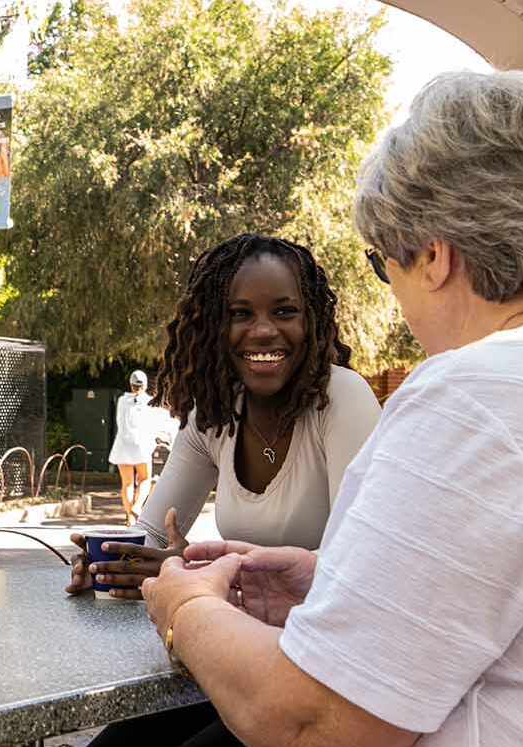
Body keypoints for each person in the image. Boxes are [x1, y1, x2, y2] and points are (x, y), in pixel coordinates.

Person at [145, 70, 523, 747]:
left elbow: (311, 724)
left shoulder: (474, 395)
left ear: (435, 257)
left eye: (381, 262)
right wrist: (334, 582)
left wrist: (185, 608)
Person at [68, 233, 382, 747]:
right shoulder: (213, 413)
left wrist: (194, 572)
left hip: (327, 676)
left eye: (284, 311)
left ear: (311, 321)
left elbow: (361, 569)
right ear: (215, 324)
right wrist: (110, 563)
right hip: (241, 649)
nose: (263, 330)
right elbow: (153, 534)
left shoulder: (342, 399)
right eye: (240, 314)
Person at [108, 369, 164, 526]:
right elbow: (154, 425)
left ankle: (130, 519)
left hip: (122, 445)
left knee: (127, 483)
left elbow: (120, 421)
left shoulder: (122, 401)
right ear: (145, 385)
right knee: (145, 479)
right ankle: (137, 507)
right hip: (141, 445)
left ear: (130, 384)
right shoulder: (150, 402)